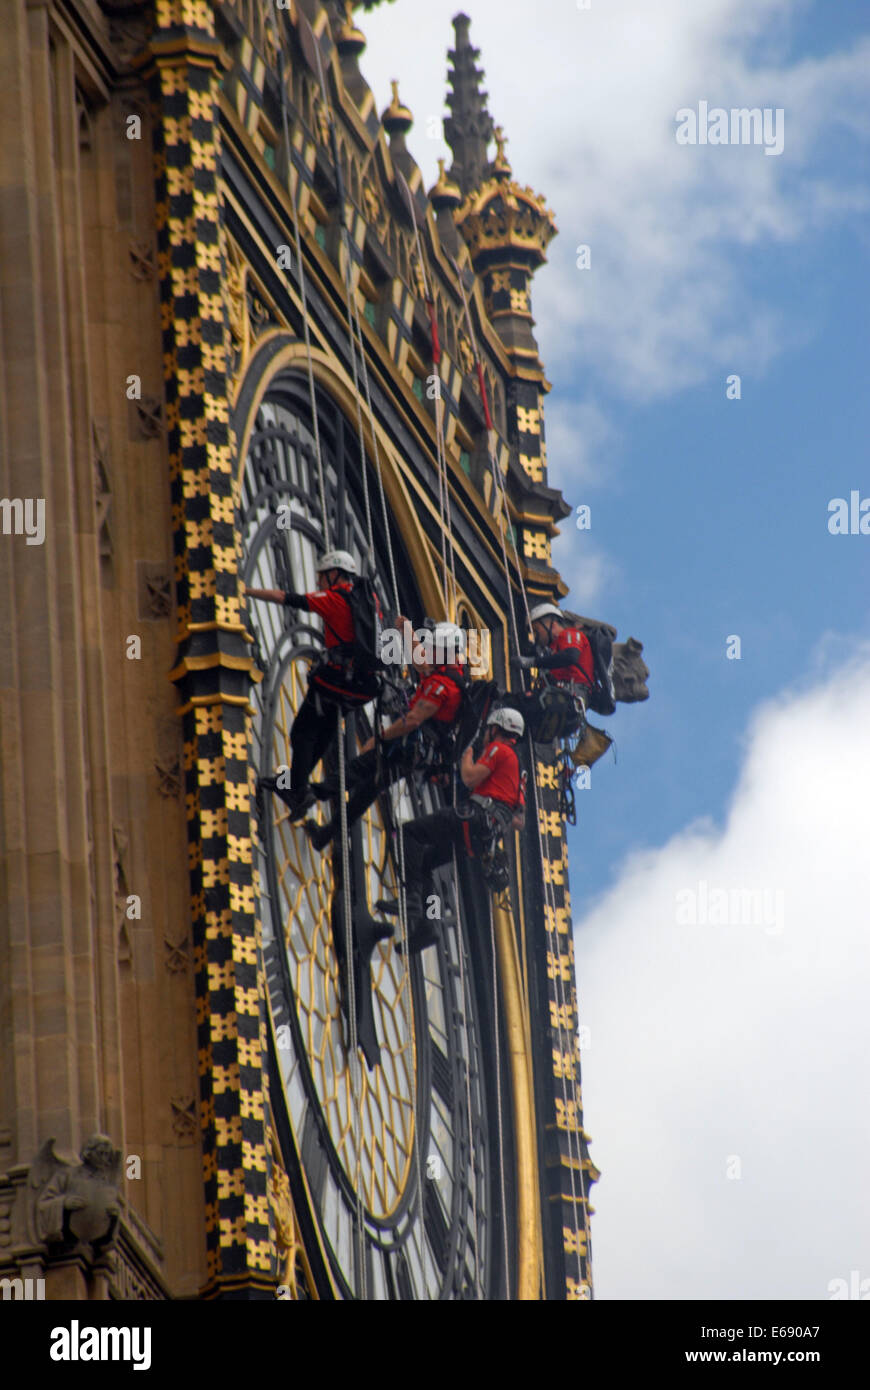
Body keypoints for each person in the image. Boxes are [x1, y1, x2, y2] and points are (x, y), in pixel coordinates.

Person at [303, 622, 469, 851]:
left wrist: (379, 738)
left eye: (435, 647)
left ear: (446, 650)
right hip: (416, 753)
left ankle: (312, 794)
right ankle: (326, 834)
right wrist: (408, 630)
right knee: (367, 791)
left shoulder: (443, 687)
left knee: (359, 768)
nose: (429, 650)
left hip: (406, 748)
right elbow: (421, 662)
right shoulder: (453, 668)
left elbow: (412, 720)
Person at [246, 549, 381, 819]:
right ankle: (297, 786)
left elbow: (287, 598)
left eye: (321, 577)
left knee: (301, 733)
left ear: (334, 574)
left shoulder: (334, 599)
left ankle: (298, 788)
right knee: (324, 731)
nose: (318, 582)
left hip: (334, 680)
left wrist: (246, 591)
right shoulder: (370, 600)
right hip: (359, 685)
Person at [383, 707, 526, 953]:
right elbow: (518, 821)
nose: (485, 736)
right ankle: (431, 922)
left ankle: (412, 900)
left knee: (409, 833)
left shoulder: (498, 750)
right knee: (426, 863)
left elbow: (469, 777)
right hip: (481, 839)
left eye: (487, 730)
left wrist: (466, 755)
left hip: (472, 818)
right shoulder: (518, 771)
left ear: (496, 729)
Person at [513, 602, 615, 738]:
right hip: (563, 712)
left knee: (511, 704)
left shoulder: (569, 634)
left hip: (565, 703)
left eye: (536, 630)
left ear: (552, 624)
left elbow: (571, 656)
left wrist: (532, 662)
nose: (536, 637)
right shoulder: (552, 653)